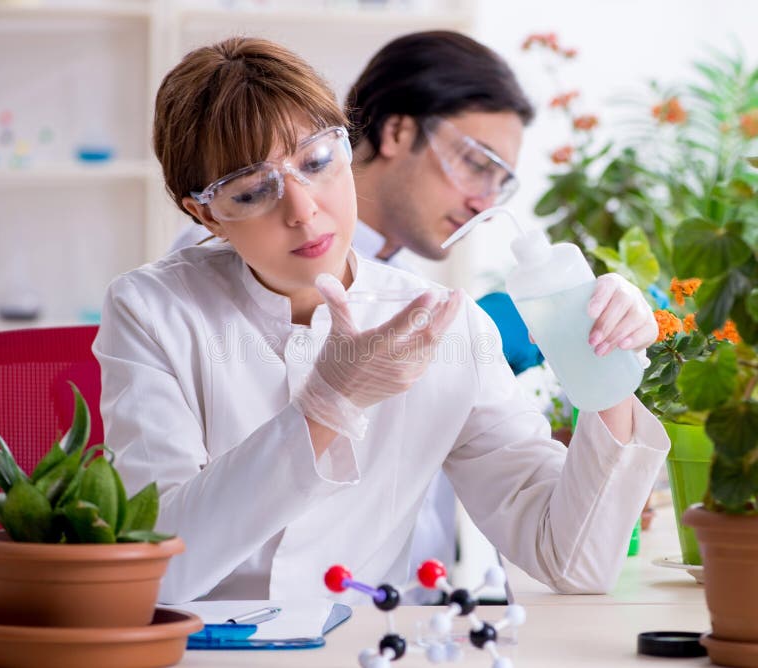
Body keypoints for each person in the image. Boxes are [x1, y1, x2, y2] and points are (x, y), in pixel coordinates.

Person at [93, 36, 668, 605]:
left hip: (367, 643)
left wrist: (605, 373)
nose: (302, 210)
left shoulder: (446, 322)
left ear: (347, 148)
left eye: (317, 162)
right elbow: (153, 571)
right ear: (204, 213)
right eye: (249, 193)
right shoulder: (153, 310)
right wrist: (325, 408)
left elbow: (572, 560)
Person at [166, 32, 545, 598]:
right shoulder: (224, 265)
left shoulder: (421, 291)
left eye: (500, 180)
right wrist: (333, 397)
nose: (483, 201)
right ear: (396, 132)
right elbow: (190, 531)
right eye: (475, 164)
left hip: (400, 607)